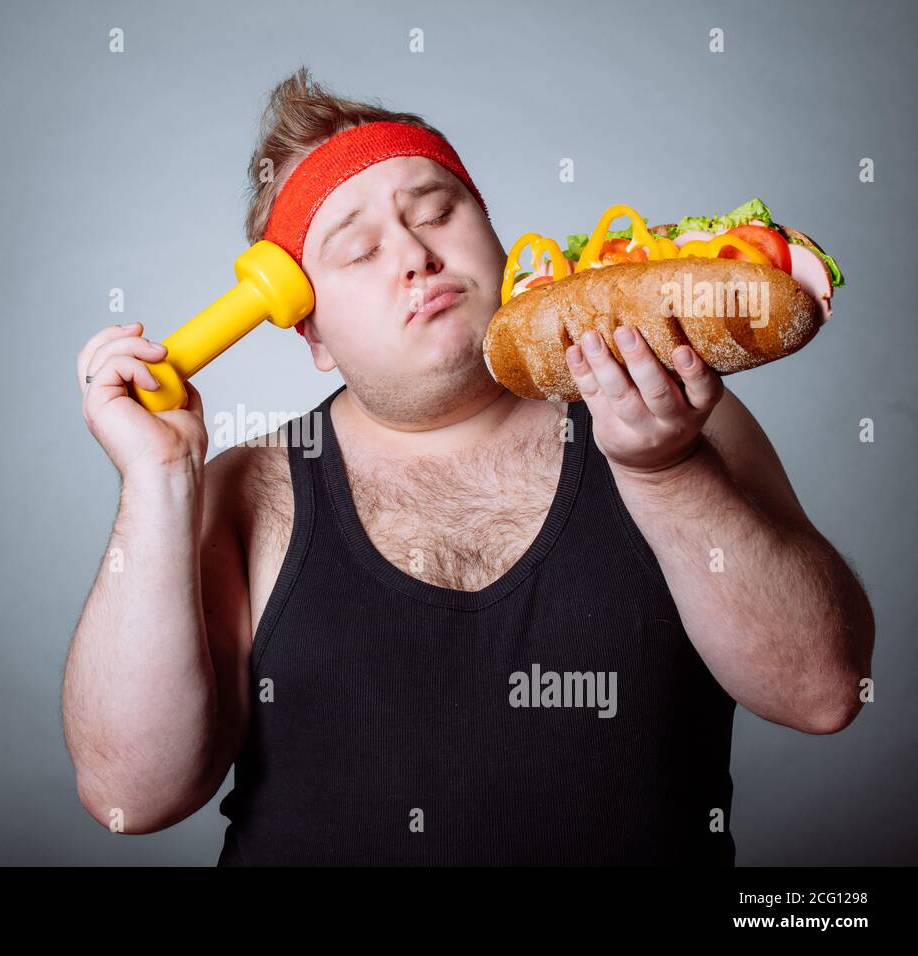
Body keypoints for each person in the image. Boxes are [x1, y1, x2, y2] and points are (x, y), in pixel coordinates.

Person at [63, 68, 875, 865]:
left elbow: (824, 692)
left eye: (437, 212)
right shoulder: (242, 491)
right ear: (311, 334)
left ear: (494, 235)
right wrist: (160, 480)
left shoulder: (671, 406)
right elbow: (132, 796)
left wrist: (670, 474)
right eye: (358, 250)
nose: (415, 255)